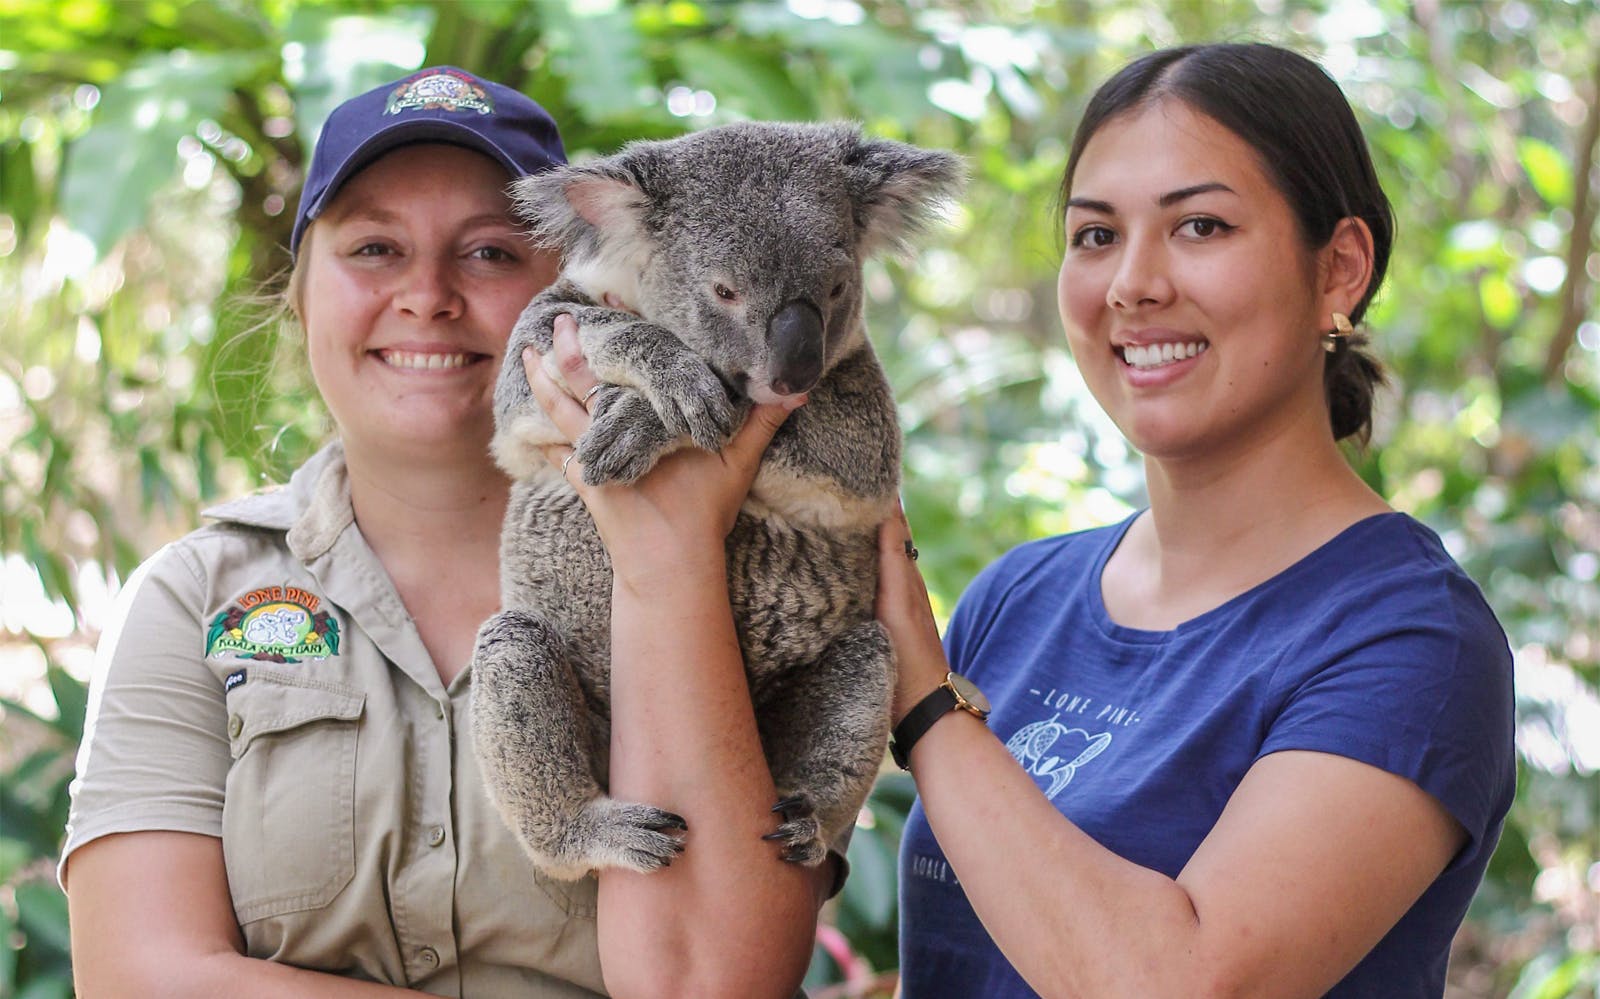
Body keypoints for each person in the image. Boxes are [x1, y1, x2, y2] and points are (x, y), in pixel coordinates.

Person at [62, 66, 831, 998]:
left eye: (492, 253)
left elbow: (721, 979)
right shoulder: (196, 597)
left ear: (590, 297)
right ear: (300, 298)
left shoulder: (746, 560)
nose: (426, 295)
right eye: (374, 248)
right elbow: (138, 974)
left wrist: (668, 564)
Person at [875, 43, 1516, 998]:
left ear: (1339, 269)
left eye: (1200, 226)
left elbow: (1181, 981)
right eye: (1096, 235)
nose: (1132, 283)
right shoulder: (1019, 597)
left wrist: (926, 702)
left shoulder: (1410, 638)